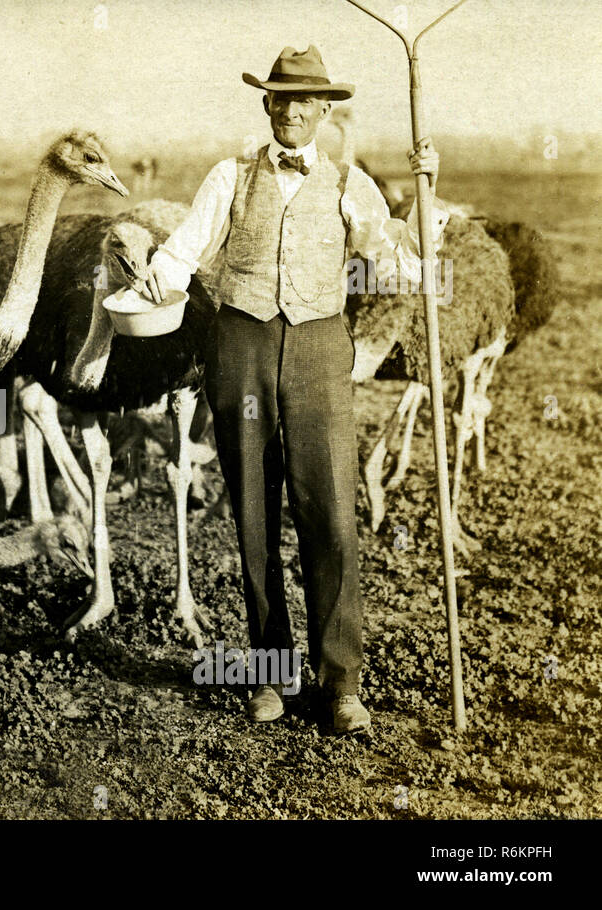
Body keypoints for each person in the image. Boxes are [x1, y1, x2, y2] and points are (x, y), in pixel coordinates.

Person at [146, 45, 445, 733]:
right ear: (267, 105)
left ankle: (340, 684)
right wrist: (151, 282)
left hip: (317, 350)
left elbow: (399, 270)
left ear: (324, 110)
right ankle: (268, 674)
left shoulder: (350, 185)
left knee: (332, 514)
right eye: (281, 98)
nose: (292, 110)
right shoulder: (229, 176)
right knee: (253, 511)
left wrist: (424, 195)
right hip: (241, 346)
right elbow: (185, 248)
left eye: (306, 100)